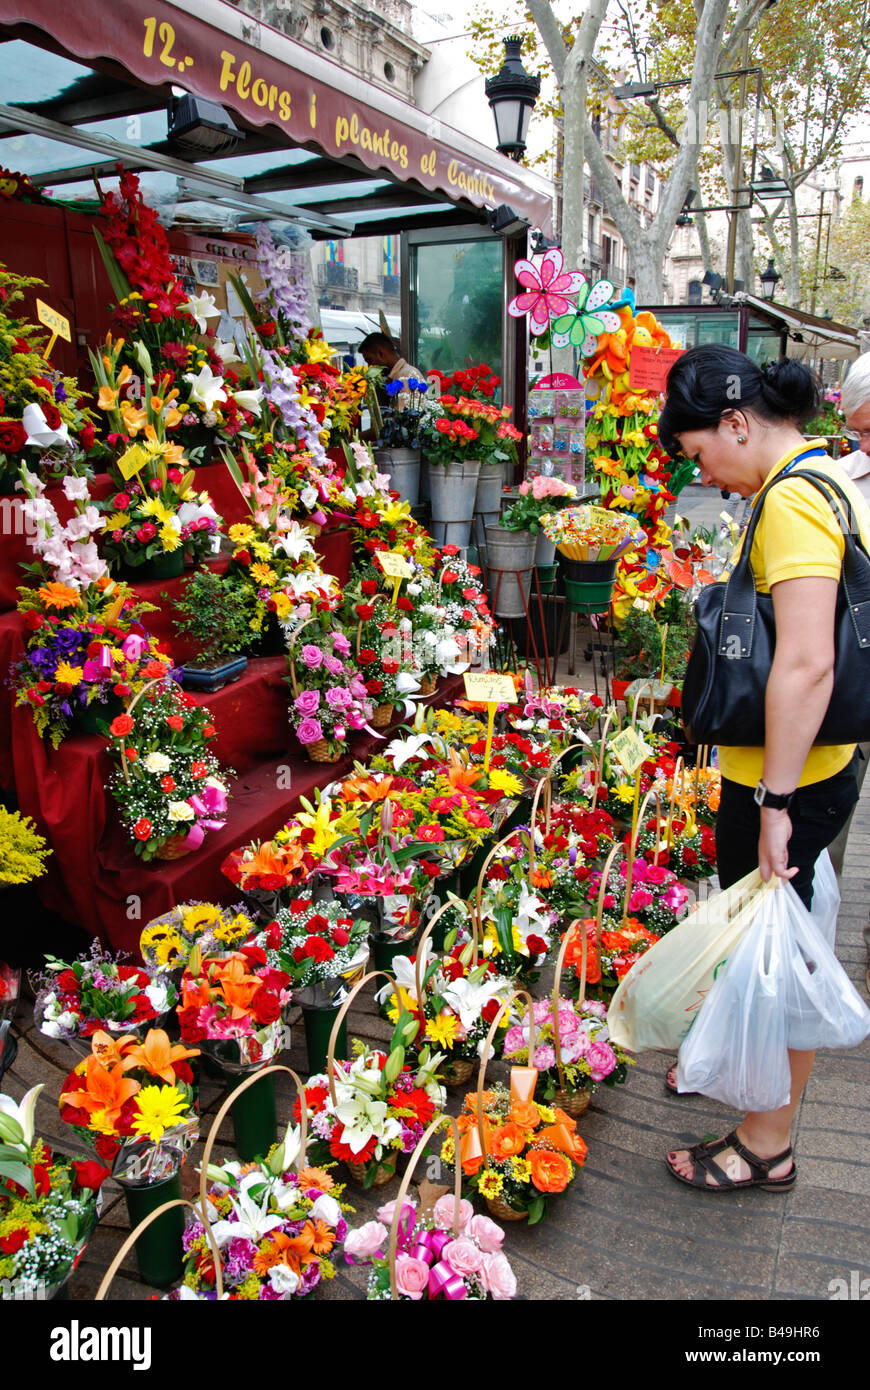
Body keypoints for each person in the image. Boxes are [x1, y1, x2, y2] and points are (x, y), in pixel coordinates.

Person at [655, 345, 870, 1193]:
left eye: (702, 453)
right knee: (779, 942)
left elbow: (807, 662)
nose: (707, 472)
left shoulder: (793, 502)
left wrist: (775, 800)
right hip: (812, 766)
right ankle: (756, 1110)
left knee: (790, 951)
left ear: (736, 423)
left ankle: (768, 1142)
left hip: (796, 777)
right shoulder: (828, 480)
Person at [358, 332, 425, 388]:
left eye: (370, 360)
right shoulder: (397, 376)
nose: (370, 366)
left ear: (381, 353)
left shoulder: (406, 375)